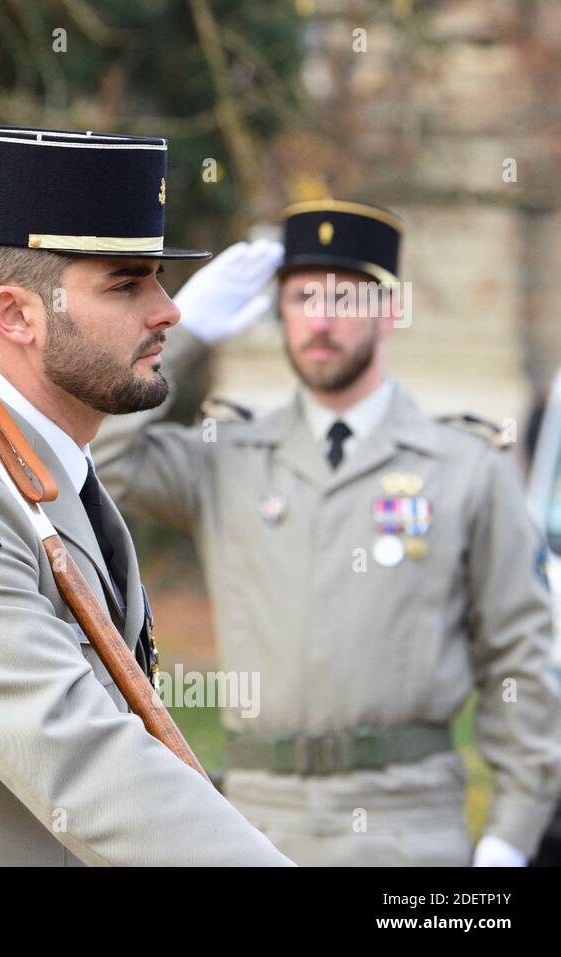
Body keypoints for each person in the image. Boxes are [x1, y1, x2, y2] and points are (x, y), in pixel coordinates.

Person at [0, 123, 293, 866]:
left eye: (157, 279)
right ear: (16, 315)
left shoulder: (50, 477)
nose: (168, 310)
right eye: (126, 284)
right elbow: (83, 758)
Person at [92, 200, 561, 865]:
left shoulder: (466, 468)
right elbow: (97, 459)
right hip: (256, 826)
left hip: (410, 827)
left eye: (344, 296)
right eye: (302, 296)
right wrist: (182, 332)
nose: (320, 318)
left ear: (391, 309)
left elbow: (522, 661)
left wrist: (511, 839)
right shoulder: (231, 457)